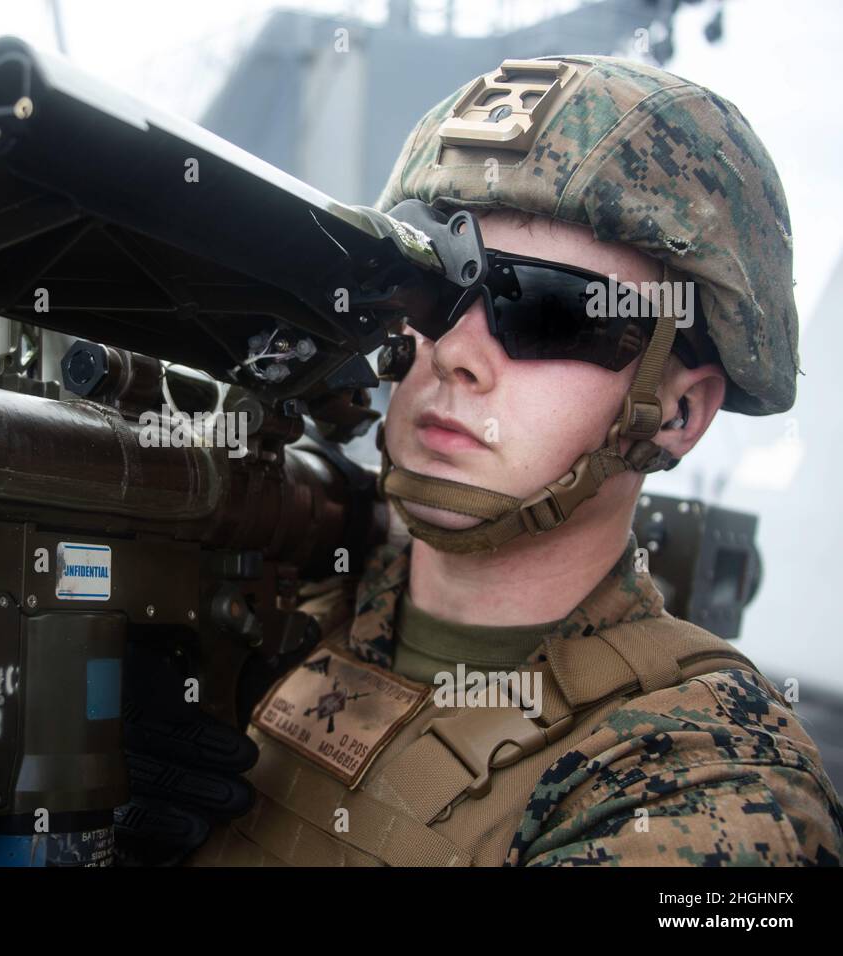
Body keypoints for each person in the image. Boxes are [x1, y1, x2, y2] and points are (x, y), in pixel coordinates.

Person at [177, 55, 843, 866]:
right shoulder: (273, 605)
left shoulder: (712, 784)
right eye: (435, 290)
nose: (456, 350)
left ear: (678, 412)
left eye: (551, 311)